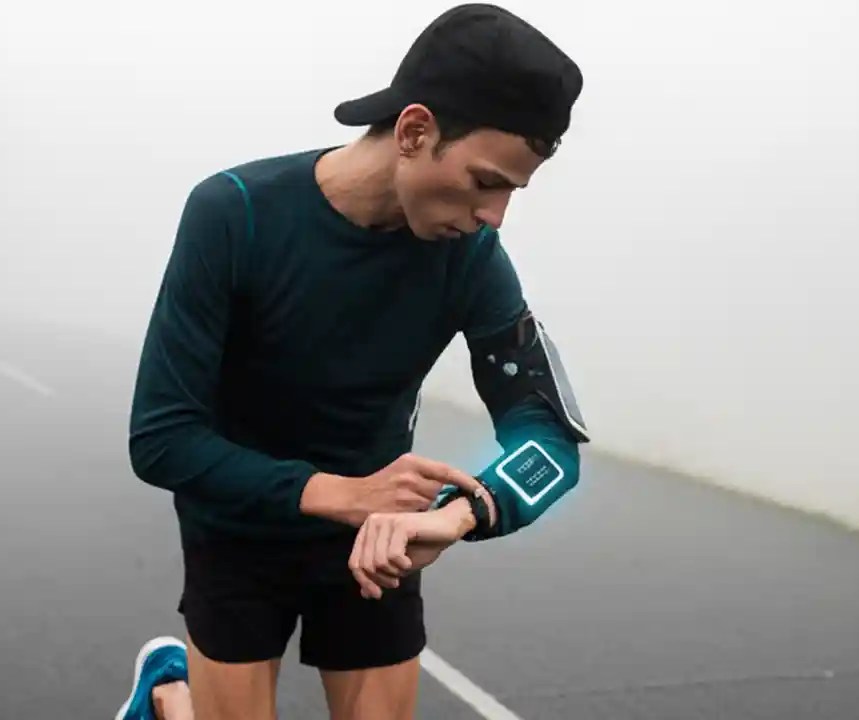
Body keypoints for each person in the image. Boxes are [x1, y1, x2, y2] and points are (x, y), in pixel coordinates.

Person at [117, 4, 590, 719]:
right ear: (414, 130)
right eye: (486, 181)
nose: (494, 216)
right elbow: (162, 438)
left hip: (379, 544)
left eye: (511, 192)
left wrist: (456, 515)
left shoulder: (471, 259)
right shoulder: (234, 213)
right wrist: (344, 493)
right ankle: (169, 693)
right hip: (240, 526)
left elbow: (550, 435)